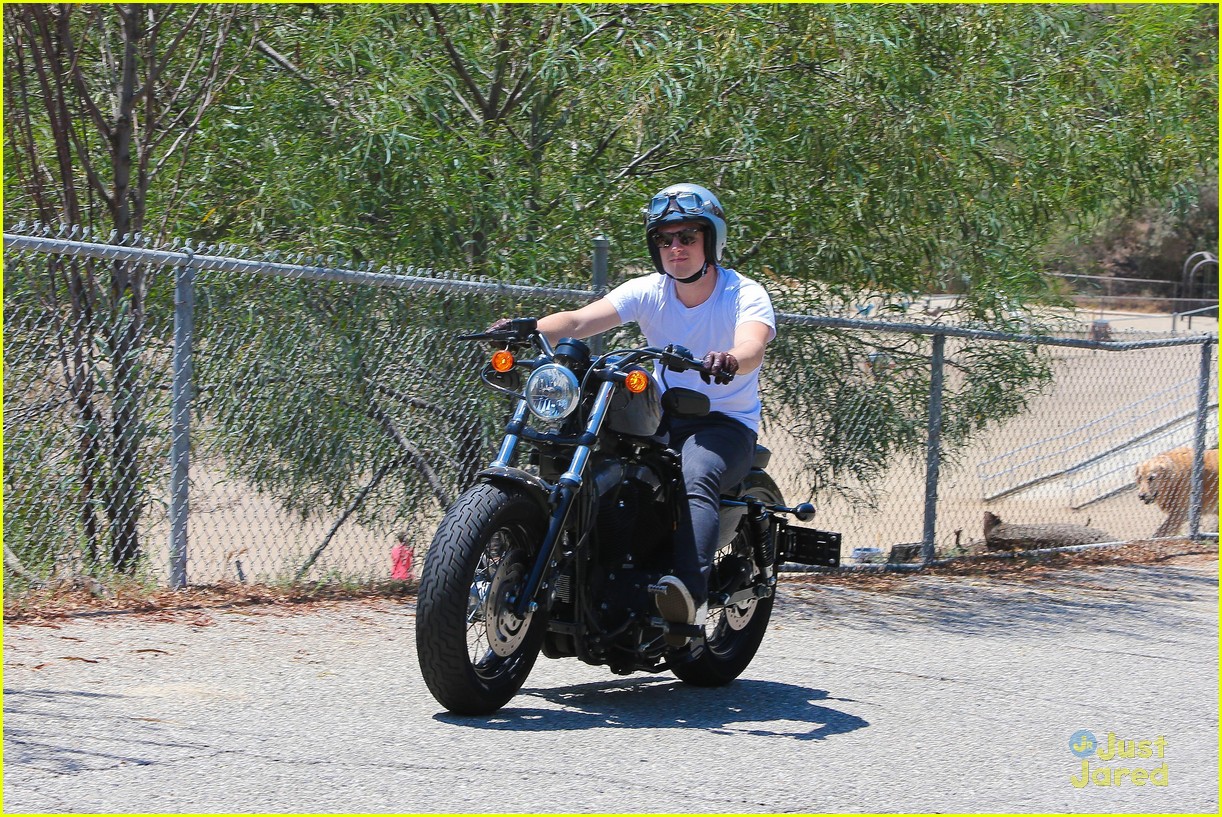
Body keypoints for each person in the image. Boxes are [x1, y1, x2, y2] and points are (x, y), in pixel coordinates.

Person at [490, 182, 776, 650]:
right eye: (665, 239)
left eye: (686, 237)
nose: (675, 248)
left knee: (697, 471)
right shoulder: (649, 291)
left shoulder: (742, 293)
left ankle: (689, 596)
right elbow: (581, 320)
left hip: (722, 424)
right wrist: (529, 328)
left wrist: (730, 358)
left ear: (710, 241)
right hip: (663, 417)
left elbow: (753, 344)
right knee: (591, 447)